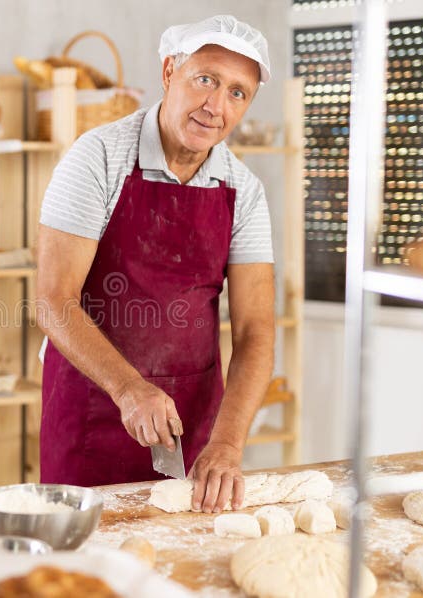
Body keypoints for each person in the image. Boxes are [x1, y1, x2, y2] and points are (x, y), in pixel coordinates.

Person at [35, 15, 276, 513]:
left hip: (193, 426)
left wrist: (228, 444)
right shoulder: (98, 158)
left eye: (237, 93)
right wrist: (128, 388)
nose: (216, 106)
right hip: (90, 412)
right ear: (169, 72)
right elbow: (53, 300)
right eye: (205, 79)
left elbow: (256, 332)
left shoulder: (243, 191)